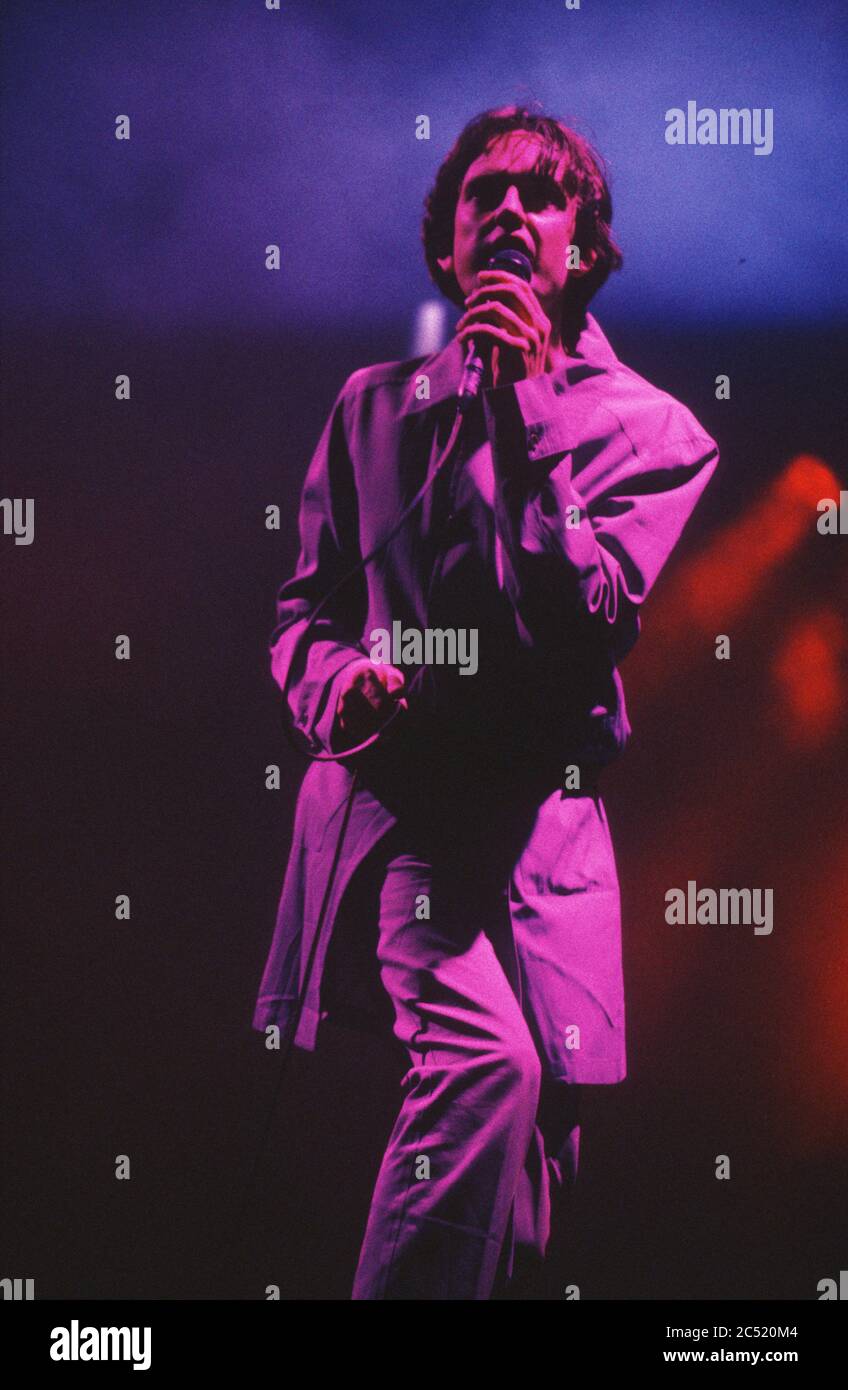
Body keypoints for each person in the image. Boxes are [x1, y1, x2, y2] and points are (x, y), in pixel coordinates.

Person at [253, 104, 720, 1299]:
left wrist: (524, 417)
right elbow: (303, 614)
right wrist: (335, 684)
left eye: (539, 195)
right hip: (406, 812)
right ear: (447, 244)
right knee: (482, 1068)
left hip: (544, 848)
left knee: (525, 1192)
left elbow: (585, 624)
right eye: (481, 194)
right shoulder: (371, 409)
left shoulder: (655, 434)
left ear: (584, 245)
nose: (507, 209)